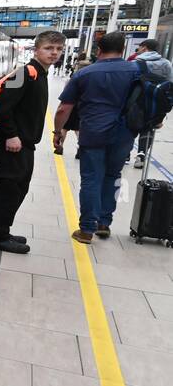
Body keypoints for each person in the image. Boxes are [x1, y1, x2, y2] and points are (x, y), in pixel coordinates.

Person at [52, 31, 143, 243]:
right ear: (123, 50)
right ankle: (104, 223)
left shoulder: (84, 74)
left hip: (93, 132)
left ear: (98, 49)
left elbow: (64, 108)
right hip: (124, 134)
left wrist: (58, 132)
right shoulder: (136, 71)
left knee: (92, 179)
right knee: (112, 177)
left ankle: (86, 230)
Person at [0, 29, 64, 253]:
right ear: (37, 49)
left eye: (58, 49)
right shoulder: (25, 72)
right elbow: (3, 106)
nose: (54, 53)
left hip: (25, 144)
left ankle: (2, 230)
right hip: (14, 144)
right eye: (49, 48)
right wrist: (11, 134)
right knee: (7, 189)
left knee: (19, 188)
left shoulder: (41, 73)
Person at [131, 38, 170, 169]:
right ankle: (141, 154)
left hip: (137, 99)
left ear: (145, 47)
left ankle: (125, 154)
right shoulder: (166, 63)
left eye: (140, 47)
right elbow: (170, 84)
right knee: (149, 126)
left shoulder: (136, 62)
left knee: (131, 124)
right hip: (156, 101)